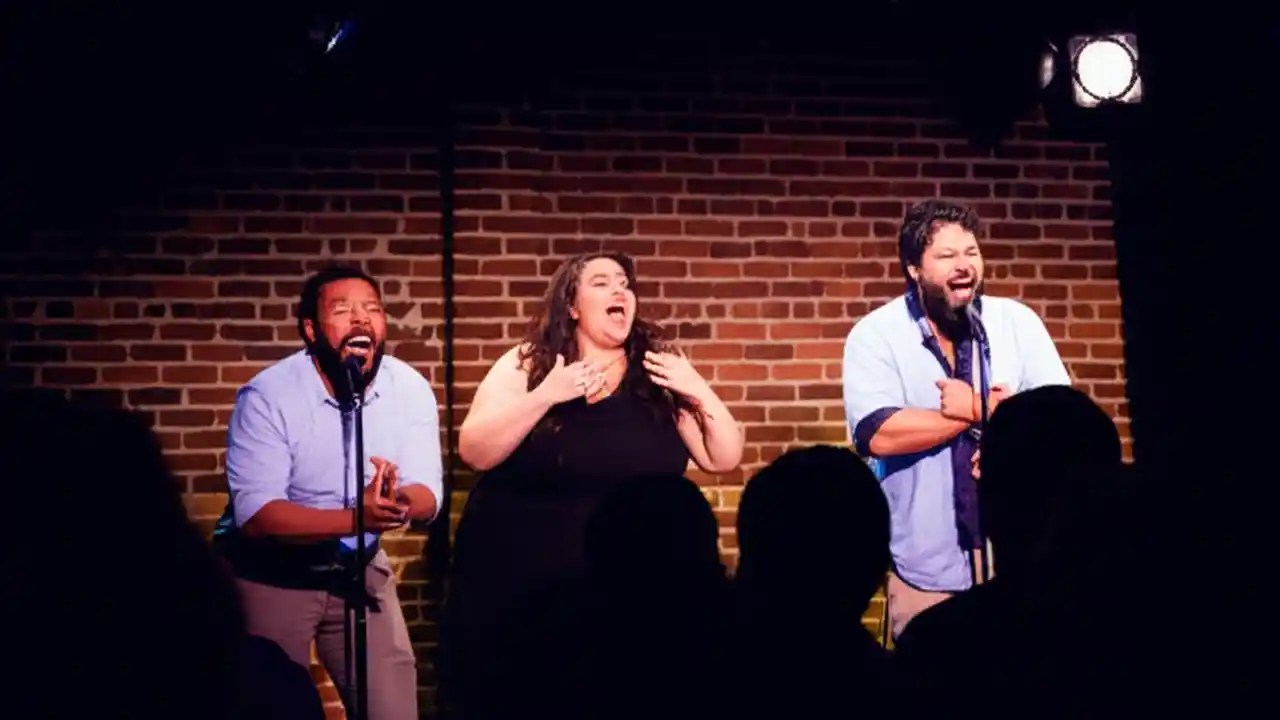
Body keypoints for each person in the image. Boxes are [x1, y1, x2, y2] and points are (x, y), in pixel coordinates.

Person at [440, 250, 743, 719]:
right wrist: (546, 396)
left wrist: (697, 386)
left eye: (625, 282)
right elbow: (476, 451)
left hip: (631, 585)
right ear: (573, 306)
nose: (620, 290)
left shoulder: (658, 371)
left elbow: (721, 457)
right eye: (601, 282)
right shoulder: (529, 364)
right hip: (529, 578)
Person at [213, 265, 443, 720]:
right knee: (272, 704)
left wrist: (396, 503)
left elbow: (428, 496)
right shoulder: (268, 396)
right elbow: (258, 516)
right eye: (344, 310)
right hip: (271, 573)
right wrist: (357, 518)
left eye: (372, 309)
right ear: (311, 329)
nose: (362, 320)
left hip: (358, 568)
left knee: (392, 708)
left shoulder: (409, 388)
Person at [840, 198, 1070, 640]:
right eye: (946, 256)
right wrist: (988, 412)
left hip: (1022, 566)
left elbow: (1060, 423)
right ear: (914, 269)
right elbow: (878, 434)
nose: (964, 265)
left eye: (972, 252)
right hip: (925, 573)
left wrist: (976, 408)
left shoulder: (1016, 322)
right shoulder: (877, 334)